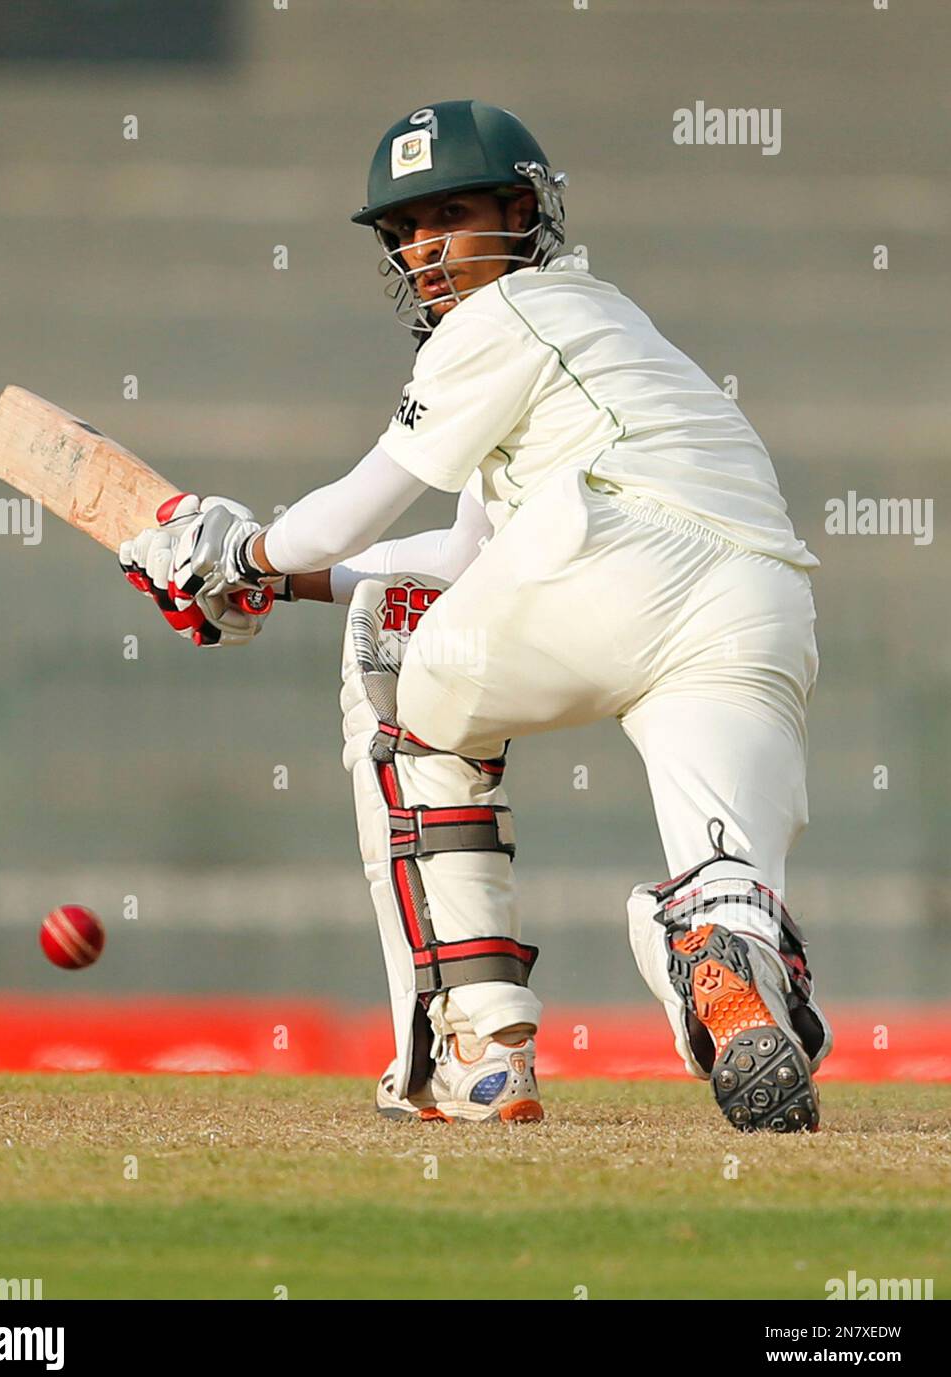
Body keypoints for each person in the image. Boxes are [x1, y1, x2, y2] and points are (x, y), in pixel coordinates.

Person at [119, 100, 831, 1132]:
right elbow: (469, 556)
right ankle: (724, 952)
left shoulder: (497, 321)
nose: (424, 249)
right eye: (403, 230)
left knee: (398, 636)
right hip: (759, 599)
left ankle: (478, 1048)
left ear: (520, 210)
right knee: (723, 859)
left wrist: (238, 551)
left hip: (607, 561)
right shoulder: (607, 328)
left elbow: (358, 512)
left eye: (449, 214)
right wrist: (276, 578)